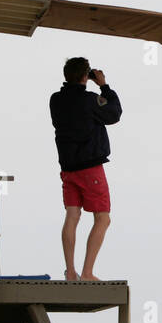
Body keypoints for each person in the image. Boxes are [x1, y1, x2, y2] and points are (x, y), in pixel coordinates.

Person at [50, 56, 121, 281]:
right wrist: (104, 85)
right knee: (103, 218)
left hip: (68, 168)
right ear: (85, 76)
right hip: (90, 168)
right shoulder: (90, 100)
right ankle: (88, 272)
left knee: (72, 215)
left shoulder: (55, 100)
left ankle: (70, 271)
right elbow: (114, 113)